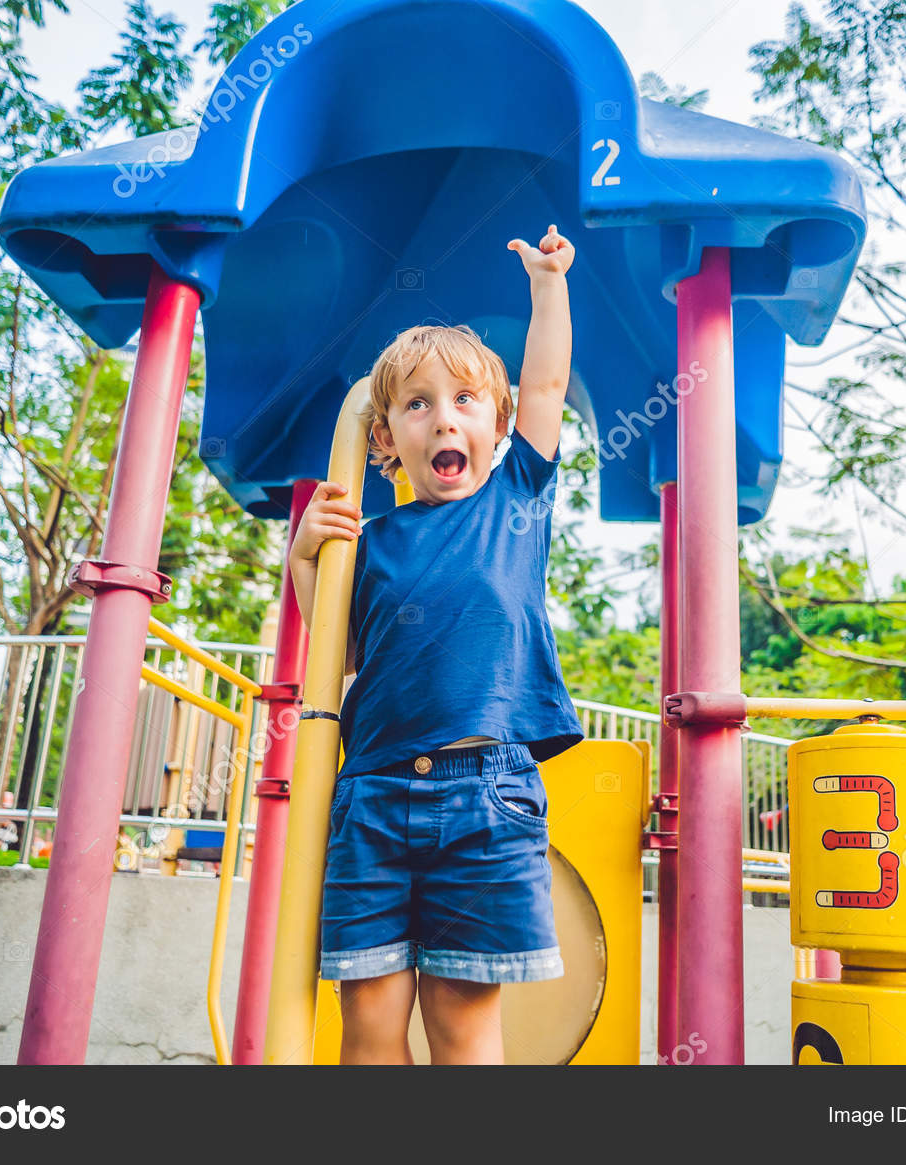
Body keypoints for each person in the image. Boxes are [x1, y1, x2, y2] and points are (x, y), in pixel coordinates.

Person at [287, 225, 584, 1065]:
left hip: (485, 798)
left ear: (496, 426)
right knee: (370, 1029)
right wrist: (304, 553)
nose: (442, 418)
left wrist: (549, 285)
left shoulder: (518, 496)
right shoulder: (369, 541)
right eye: (417, 405)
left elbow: (548, 379)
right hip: (375, 797)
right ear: (386, 439)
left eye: (464, 402)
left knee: (461, 1026)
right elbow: (335, 658)